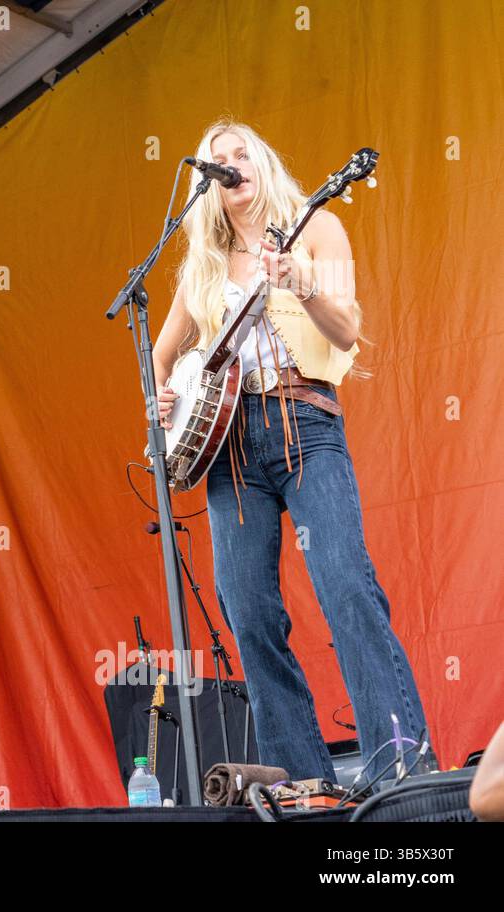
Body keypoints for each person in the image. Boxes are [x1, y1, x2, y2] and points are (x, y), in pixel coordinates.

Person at [153, 120, 433, 782]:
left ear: (262, 161)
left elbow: (348, 330)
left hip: (305, 422)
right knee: (248, 613)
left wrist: (302, 283)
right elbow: (161, 356)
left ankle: (402, 769)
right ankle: (303, 781)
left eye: (240, 152)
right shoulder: (204, 266)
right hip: (228, 448)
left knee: (346, 588)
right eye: (216, 162)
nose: (230, 166)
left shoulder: (316, 229)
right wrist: (162, 399)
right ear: (209, 188)